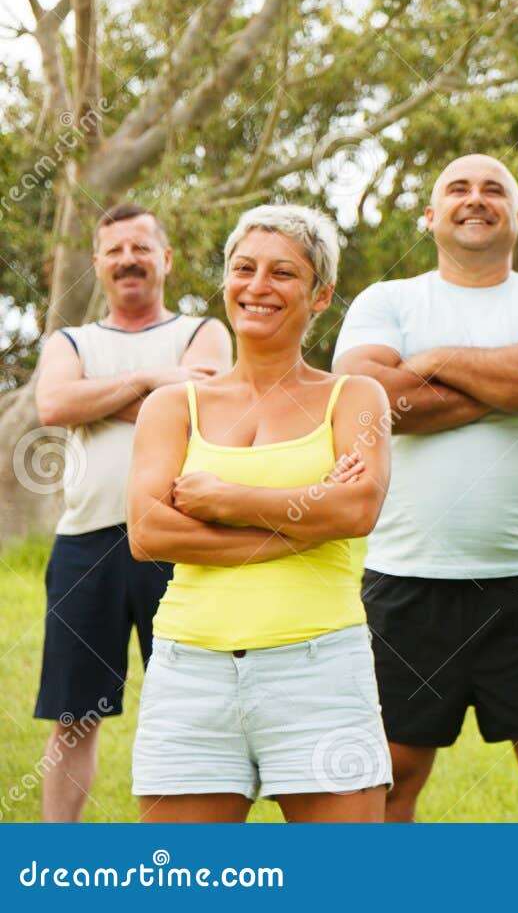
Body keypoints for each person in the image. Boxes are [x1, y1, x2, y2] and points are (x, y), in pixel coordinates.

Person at [332, 153, 518, 823]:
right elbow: (372, 404)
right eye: (457, 187)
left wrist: (432, 362)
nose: (474, 198)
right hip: (407, 581)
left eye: (494, 190)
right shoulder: (387, 301)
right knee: (386, 781)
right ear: (431, 216)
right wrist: (510, 378)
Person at [126, 205, 392, 822]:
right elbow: (148, 531)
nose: (257, 286)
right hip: (190, 673)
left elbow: (356, 506)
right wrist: (300, 524)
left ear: (321, 294)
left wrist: (228, 501)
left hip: (321, 669)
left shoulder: (354, 396)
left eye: (283, 273)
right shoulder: (172, 405)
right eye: (243, 269)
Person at [30, 203, 231, 822]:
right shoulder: (71, 340)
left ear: (166, 259)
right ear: (97, 264)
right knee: (73, 716)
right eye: (114, 250)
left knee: (194, 708)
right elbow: (55, 404)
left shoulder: (204, 332)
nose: (128, 260)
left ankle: (186, 856)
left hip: (179, 538)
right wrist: (155, 381)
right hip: (85, 546)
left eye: (141, 247)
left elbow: (211, 407)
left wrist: (111, 395)